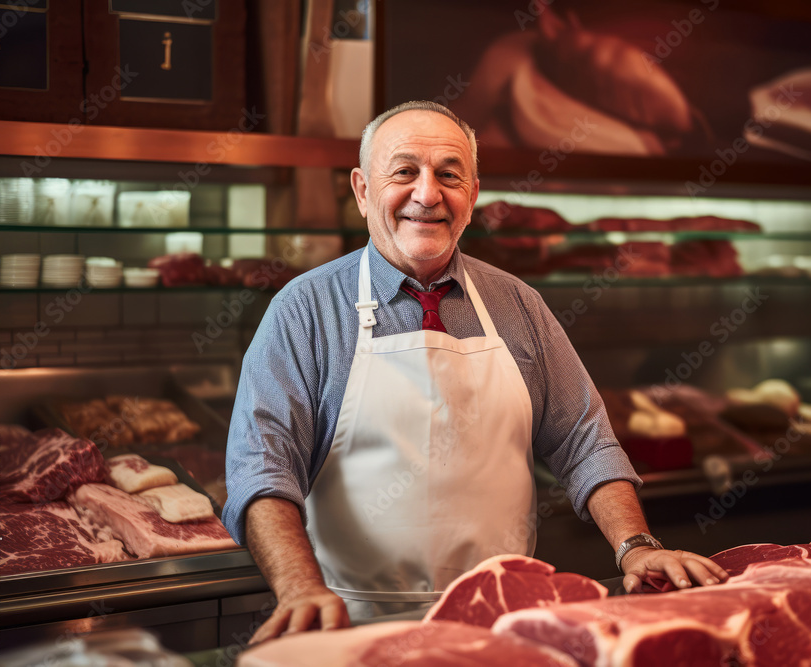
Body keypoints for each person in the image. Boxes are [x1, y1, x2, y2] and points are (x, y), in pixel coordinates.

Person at [222, 100, 728, 644]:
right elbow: (262, 470)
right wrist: (299, 587)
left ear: (473, 194)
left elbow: (584, 440)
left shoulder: (518, 303)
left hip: (503, 621)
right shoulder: (306, 308)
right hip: (351, 623)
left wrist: (635, 546)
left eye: (448, 175)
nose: (427, 194)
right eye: (404, 171)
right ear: (363, 190)